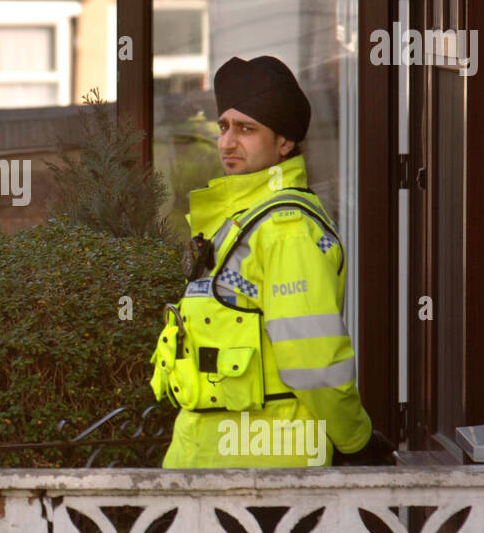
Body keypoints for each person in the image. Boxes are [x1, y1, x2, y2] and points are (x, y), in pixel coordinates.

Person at [150, 55, 394, 468]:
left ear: (285, 142)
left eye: (247, 129)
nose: (227, 143)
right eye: (223, 127)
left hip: (269, 475)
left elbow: (313, 361)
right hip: (203, 464)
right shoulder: (235, 222)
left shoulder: (287, 229)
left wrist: (355, 442)